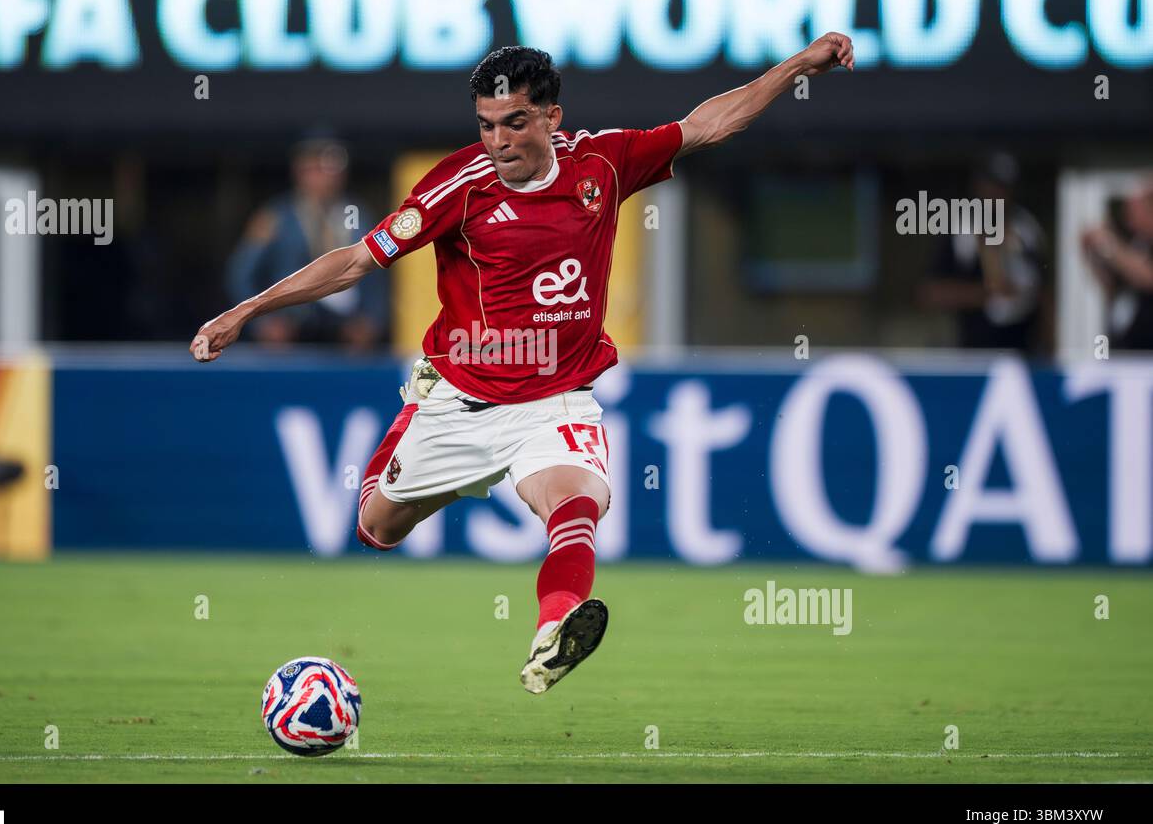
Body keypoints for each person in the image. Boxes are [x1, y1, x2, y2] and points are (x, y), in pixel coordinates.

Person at [192, 36, 855, 693]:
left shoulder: (604, 163)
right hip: (458, 396)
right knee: (375, 525)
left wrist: (798, 65)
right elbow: (358, 259)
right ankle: (412, 411)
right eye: (486, 125)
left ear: (552, 118)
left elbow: (709, 125)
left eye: (515, 122)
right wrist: (247, 309)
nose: (499, 141)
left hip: (556, 398)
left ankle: (555, 627)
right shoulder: (459, 185)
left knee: (580, 499)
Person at [225, 136, 389, 350]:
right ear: (299, 171)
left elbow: (378, 273)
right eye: (315, 168)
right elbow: (241, 273)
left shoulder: (358, 214)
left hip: (345, 328)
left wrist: (371, 320)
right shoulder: (277, 216)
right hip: (292, 324)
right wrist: (262, 323)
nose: (325, 177)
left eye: (332, 167)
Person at [919, 154, 1045, 351]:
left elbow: (1043, 293)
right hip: (972, 354)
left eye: (1003, 188)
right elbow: (931, 293)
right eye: (992, 186)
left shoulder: (1026, 230)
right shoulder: (959, 230)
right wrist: (988, 293)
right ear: (978, 186)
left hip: (1022, 352)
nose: (996, 195)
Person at [1081, 176, 1153, 349]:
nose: (1126, 214)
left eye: (1134, 207)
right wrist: (1090, 251)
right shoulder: (1134, 242)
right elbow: (1110, 289)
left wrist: (1109, 246)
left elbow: (1147, 278)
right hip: (1124, 347)